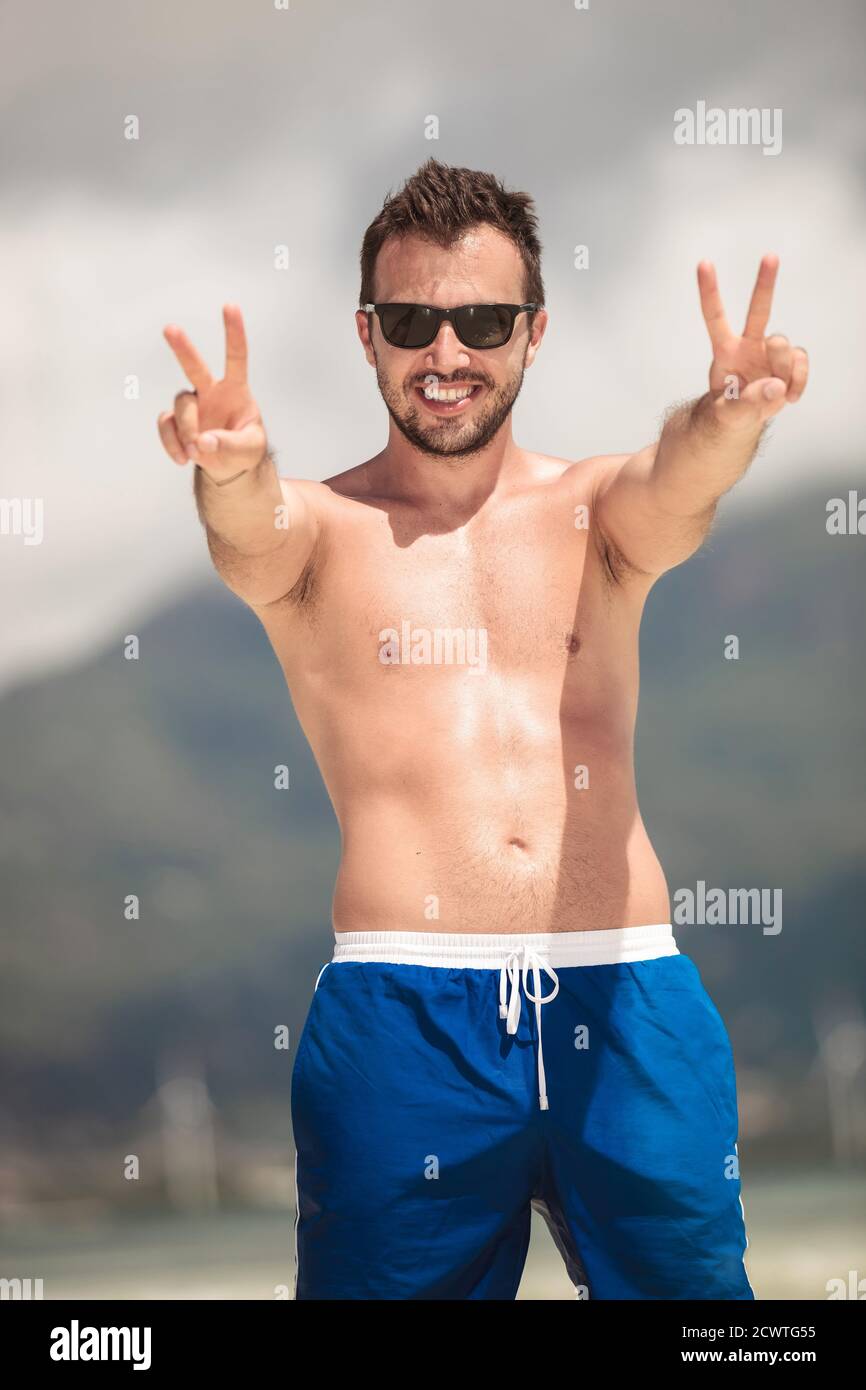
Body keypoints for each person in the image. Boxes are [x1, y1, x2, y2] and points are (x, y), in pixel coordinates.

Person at [157, 159, 808, 1300]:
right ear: (366, 334)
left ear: (532, 332)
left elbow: (679, 484)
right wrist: (233, 466)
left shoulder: (596, 513)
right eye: (411, 320)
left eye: (481, 321)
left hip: (625, 1002)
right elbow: (246, 533)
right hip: (402, 1017)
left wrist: (727, 415)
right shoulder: (318, 532)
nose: (445, 354)